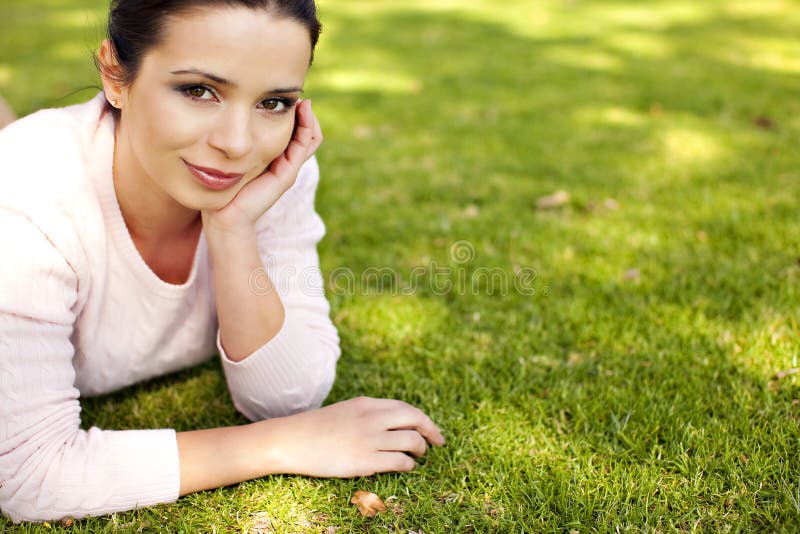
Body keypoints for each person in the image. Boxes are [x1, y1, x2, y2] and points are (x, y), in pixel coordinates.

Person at [0, 0, 444, 524]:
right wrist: (278, 444)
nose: (236, 145)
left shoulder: (273, 173)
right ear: (115, 74)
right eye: (198, 90)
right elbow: (31, 475)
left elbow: (285, 396)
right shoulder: (27, 190)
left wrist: (232, 228)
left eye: (274, 102)